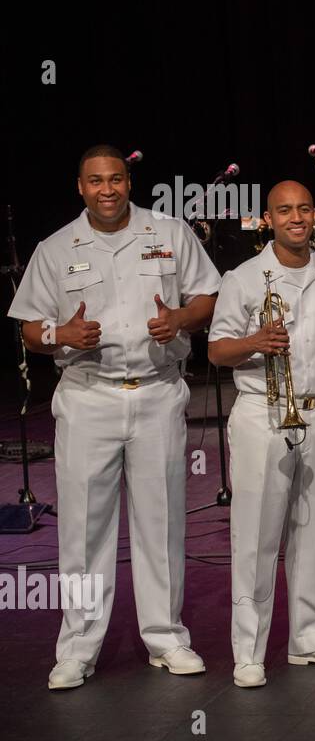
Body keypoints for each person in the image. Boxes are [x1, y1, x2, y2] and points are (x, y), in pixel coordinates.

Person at [10, 144, 220, 689]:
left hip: (156, 393)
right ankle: (77, 647)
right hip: (87, 398)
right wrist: (63, 334)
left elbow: (206, 297)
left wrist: (179, 318)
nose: (108, 189)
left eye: (117, 179)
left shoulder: (170, 233)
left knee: (163, 522)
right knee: (82, 531)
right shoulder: (54, 249)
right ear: (79, 187)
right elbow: (31, 327)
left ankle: (167, 636)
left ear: (130, 182)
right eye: (96, 181)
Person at [209, 180, 315, 687]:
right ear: (267, 219)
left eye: (304, 208)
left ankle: (311, 639)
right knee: (254, 536)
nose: (296, 217)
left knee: (313, 532)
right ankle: (247, 651)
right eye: (284, 210)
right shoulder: (244, 277)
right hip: (262, 413)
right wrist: (254, 341)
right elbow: (216, 351)